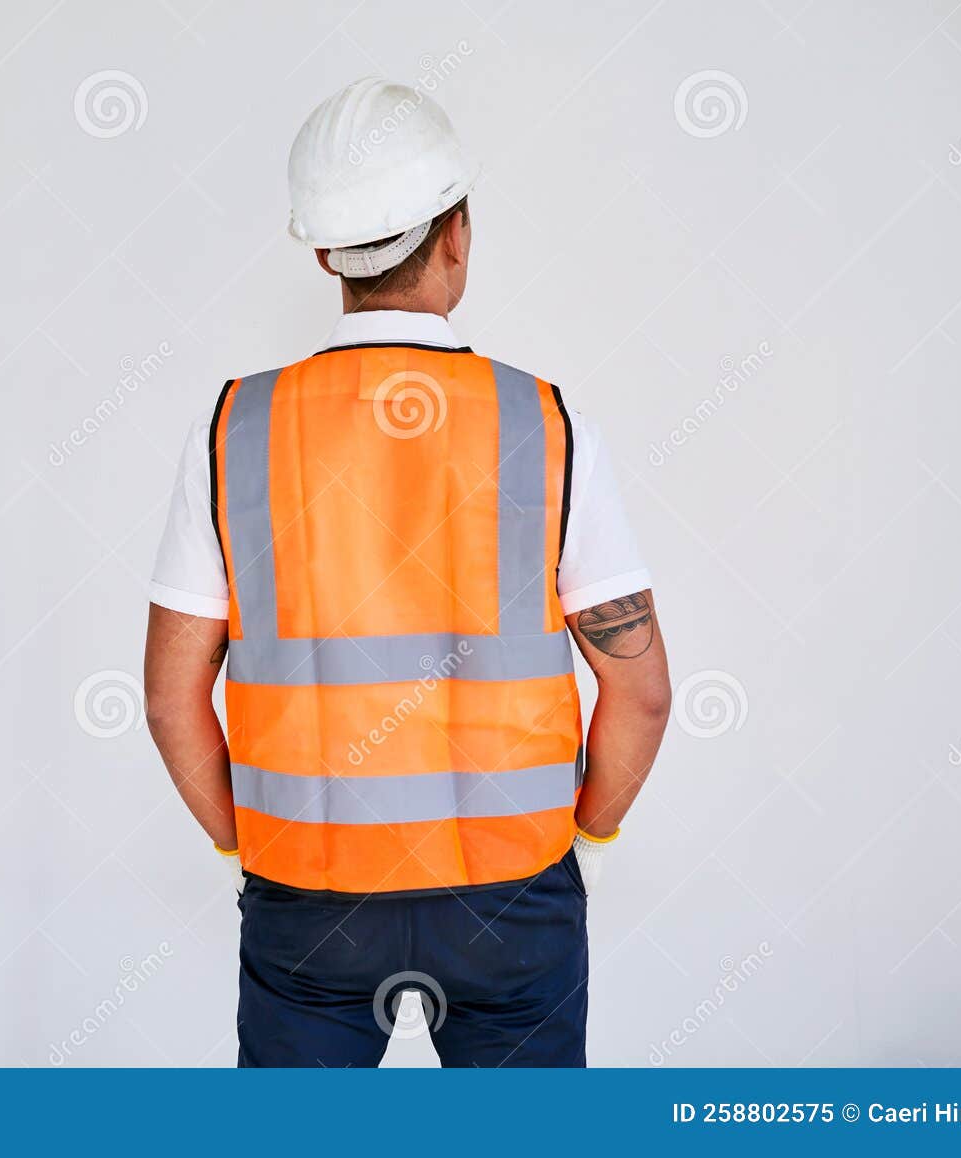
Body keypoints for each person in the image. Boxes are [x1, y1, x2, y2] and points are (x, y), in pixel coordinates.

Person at [144, 77, 671, 1067]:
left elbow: (173, 700)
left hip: (308, 894)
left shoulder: (233, 430)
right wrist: (582, 840)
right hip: (512, 892)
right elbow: (639, 693)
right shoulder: (547, 426)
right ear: (457, 234)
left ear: (324, 253)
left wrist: (242, 845)